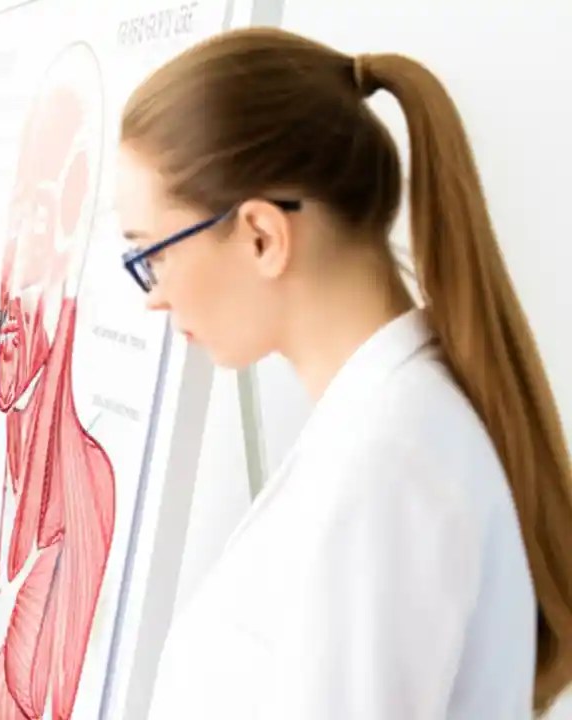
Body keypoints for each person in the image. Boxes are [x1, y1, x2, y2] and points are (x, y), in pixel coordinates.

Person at [114, 26, 572, 718]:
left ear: (263, 236)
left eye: (154, 254)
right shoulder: (386, 431)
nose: (154, 293)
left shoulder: (388, 465)